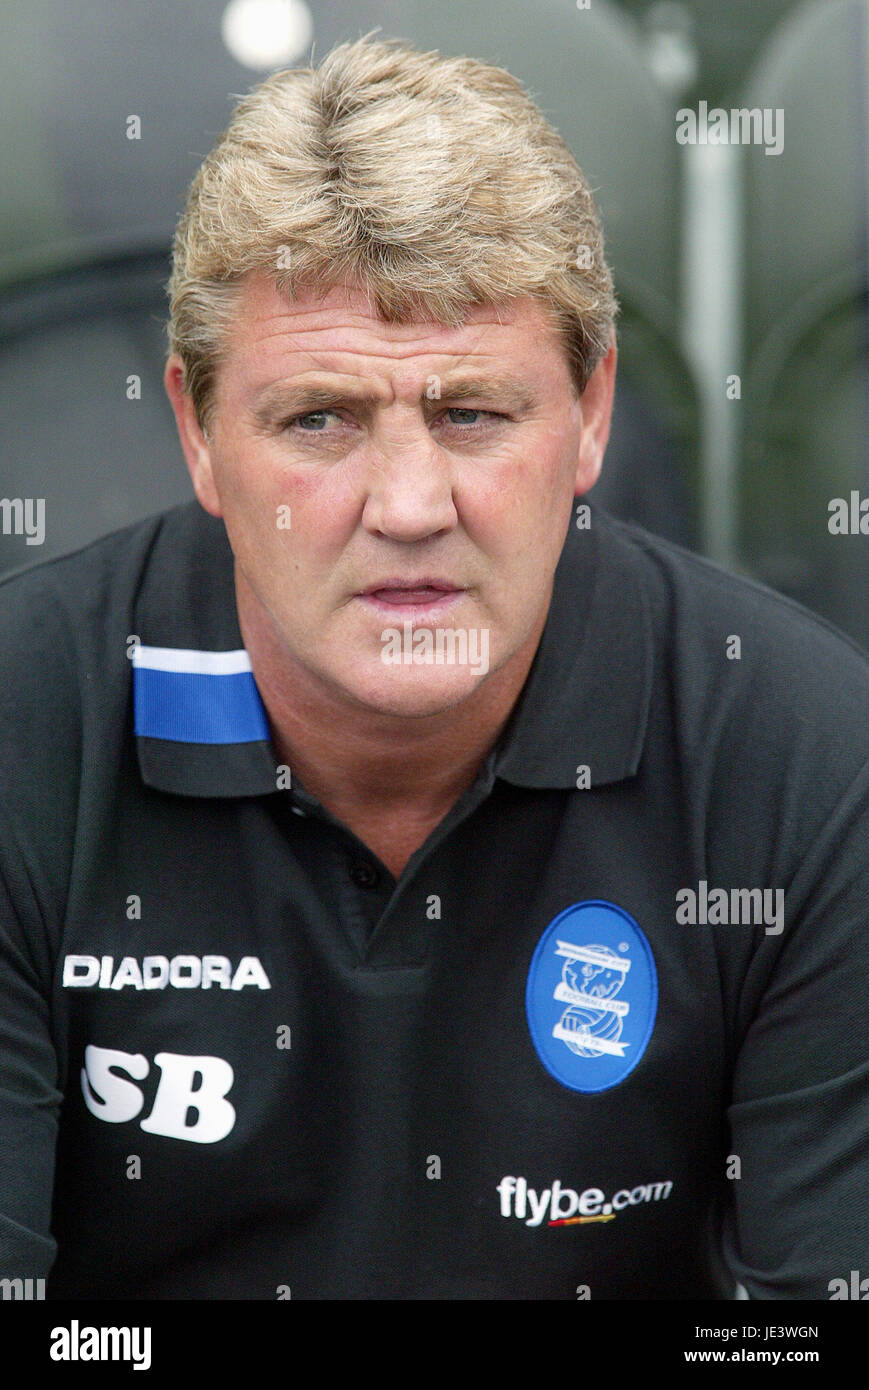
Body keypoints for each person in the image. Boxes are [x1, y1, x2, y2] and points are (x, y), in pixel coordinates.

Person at [0, 33, 866, 1301]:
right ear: (194, 431)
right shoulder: (24, 731)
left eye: (470, 412)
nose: (408, 505)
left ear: (590, 417)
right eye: (319, 420)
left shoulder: (803, 751)